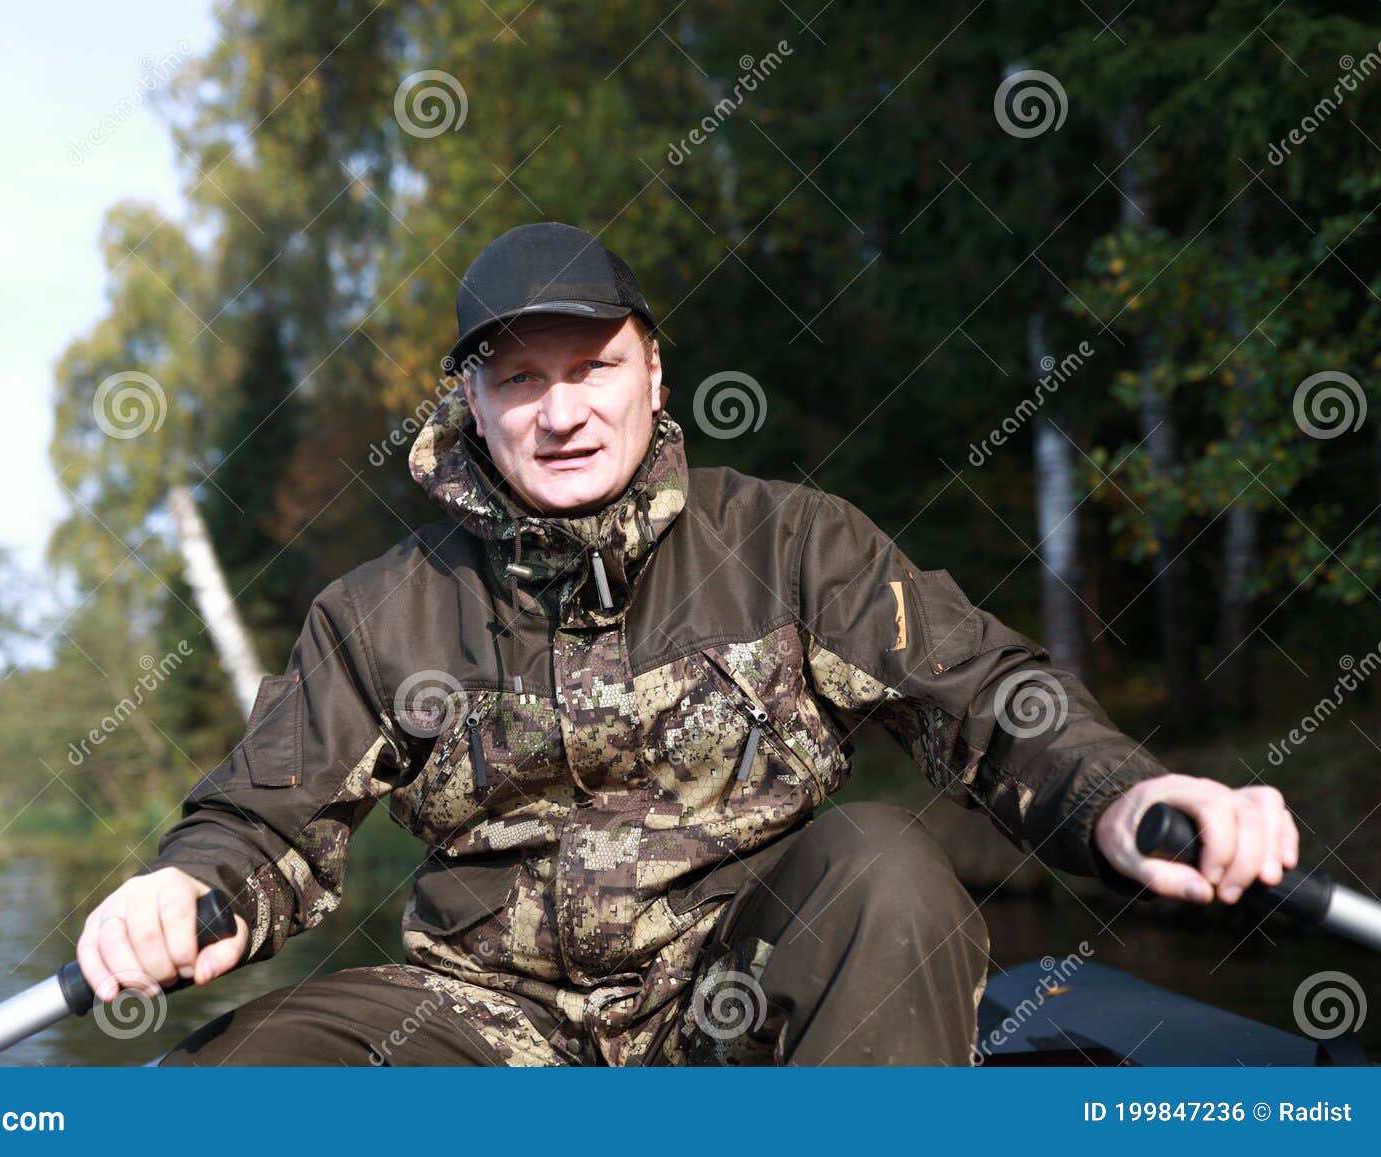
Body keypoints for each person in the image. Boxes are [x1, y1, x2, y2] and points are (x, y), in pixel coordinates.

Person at [76, 222, 1299, 1066]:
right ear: (473, 407)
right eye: (519, 380)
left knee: (883, 858)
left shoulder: (793, 541)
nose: (562, 411)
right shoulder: (377, 611)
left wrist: (1122, 793)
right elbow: (260, 820)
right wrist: (189, 888)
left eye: (594, 367)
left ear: (652, 374)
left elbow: (987, 697)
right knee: (232, 1079)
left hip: (746, 1007)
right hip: (484, 1029)